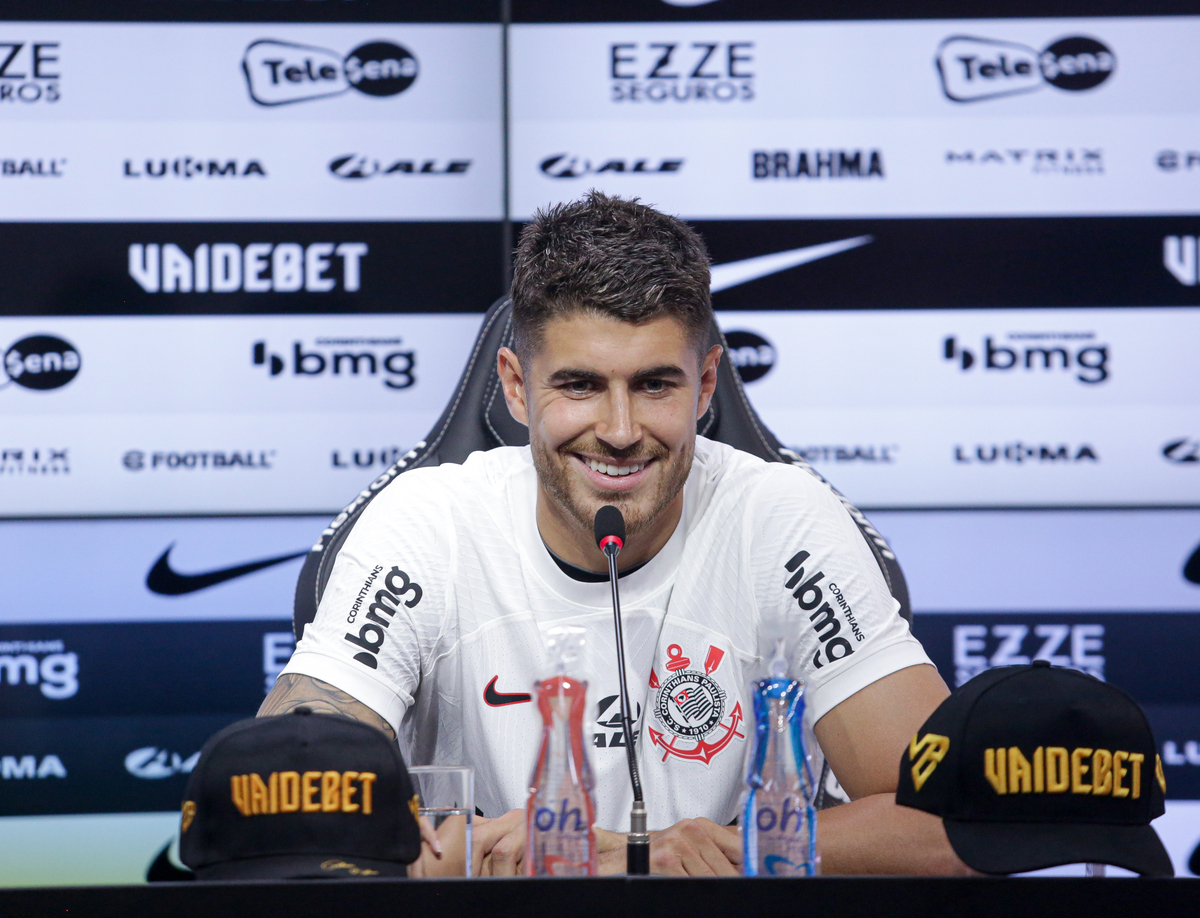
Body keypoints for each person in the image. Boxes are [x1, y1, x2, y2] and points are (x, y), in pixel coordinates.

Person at [260, 192, 967, 876]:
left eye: (656, 384)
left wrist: (712, 848)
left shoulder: (782, 517)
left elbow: (952, 825)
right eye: (579, 386)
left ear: (706, 382)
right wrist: (448, 862)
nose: (621, 431)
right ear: (514, 386)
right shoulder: (427, 521)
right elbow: (279, 808)